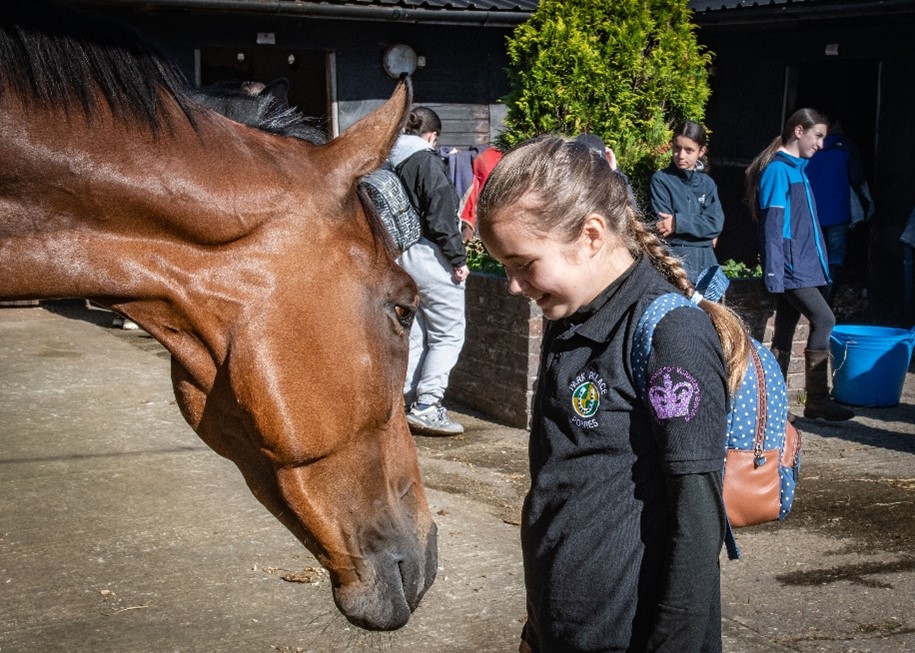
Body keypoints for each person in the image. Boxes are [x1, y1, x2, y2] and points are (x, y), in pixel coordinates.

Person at [477, 135, 755, 652]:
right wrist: (537, 629)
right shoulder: (570, 319)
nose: (513, 285)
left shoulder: (673, 336)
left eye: (523, 263)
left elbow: (696, 522)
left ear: (591, 234)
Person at [745, 108, 854, 421]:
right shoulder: (778, 171)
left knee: (784, 334)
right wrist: (774, 272)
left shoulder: (798, 169)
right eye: (817, 136)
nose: (821, 143)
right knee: (825, 318)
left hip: (800, 266)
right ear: (798, 131)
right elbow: (772, 226)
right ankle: (817, 399)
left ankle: (772, 407)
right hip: (792, 269)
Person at [389, 106, 469, 436]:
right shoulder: (425, 160)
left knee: (418, 332)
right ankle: (428, 405)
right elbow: (441, 218)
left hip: (397, 257)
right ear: (432, 136)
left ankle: (404, 401)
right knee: (449, 333)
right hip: (429, 256)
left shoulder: (384, 161)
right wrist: (458, 259)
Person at [805, 118, 872, 304]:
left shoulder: (808, 146)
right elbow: (857, 177)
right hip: (838, 210)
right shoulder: (847, 147)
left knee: (811, 254)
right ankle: (828, 300)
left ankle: (810, 301)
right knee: (835, 256)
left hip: (811, 210)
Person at [650, 120, 725, 283]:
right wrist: (705, 235)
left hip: (707, 267)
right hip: (676, 265)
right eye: (677, 148)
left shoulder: (707, 184)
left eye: (689, 150)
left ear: (701, 151)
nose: (681, 155)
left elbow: (716, 224)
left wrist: (677, 223)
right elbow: (664, 227)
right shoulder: (661, 180)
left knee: (711, 309)